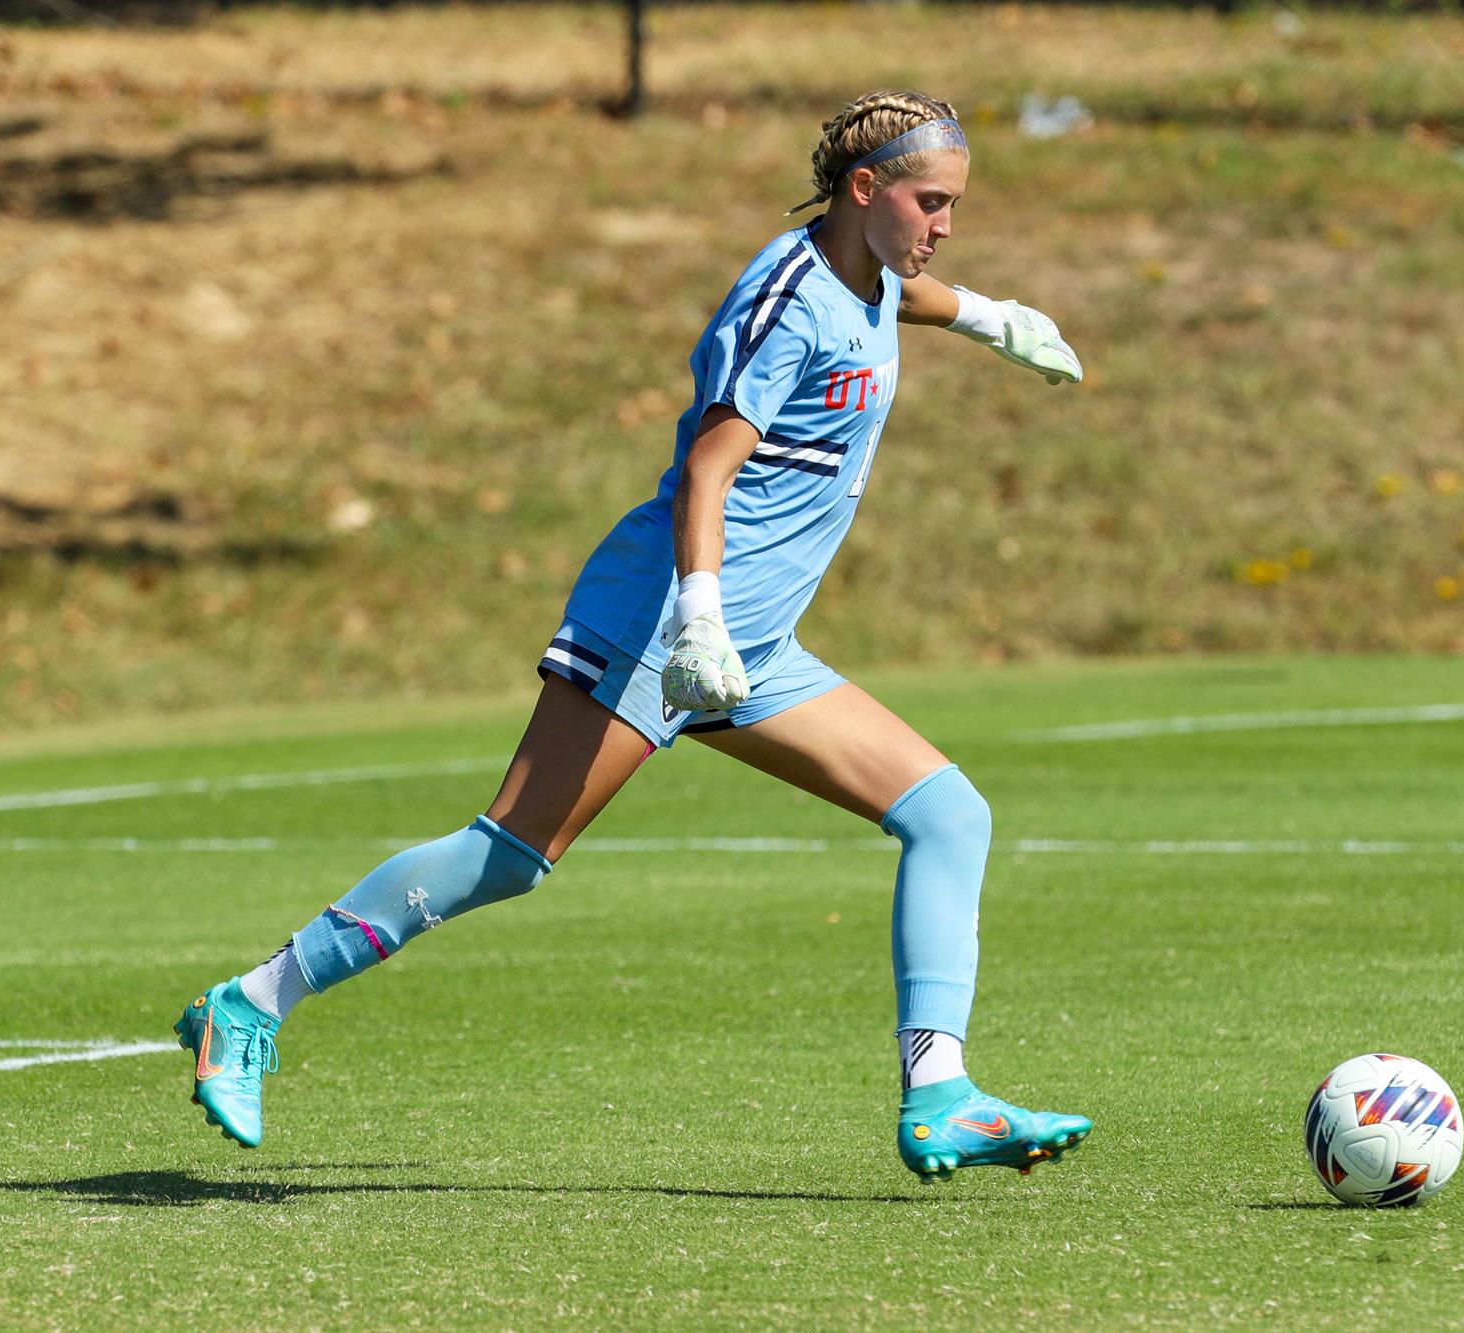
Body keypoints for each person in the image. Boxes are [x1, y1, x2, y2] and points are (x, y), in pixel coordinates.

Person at [175, 88, 1092, 1182]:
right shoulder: (784, 298)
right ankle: (245, 1005)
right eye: (929, 202)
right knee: (507, 855)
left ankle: (939, 1093)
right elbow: (708, 467)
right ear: (864, 190)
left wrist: (991, 318)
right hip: (666, 618)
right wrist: (699, 621)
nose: (944, 224)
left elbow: (905, 296)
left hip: (750, 640)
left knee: (946, 813)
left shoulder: (872, 274)